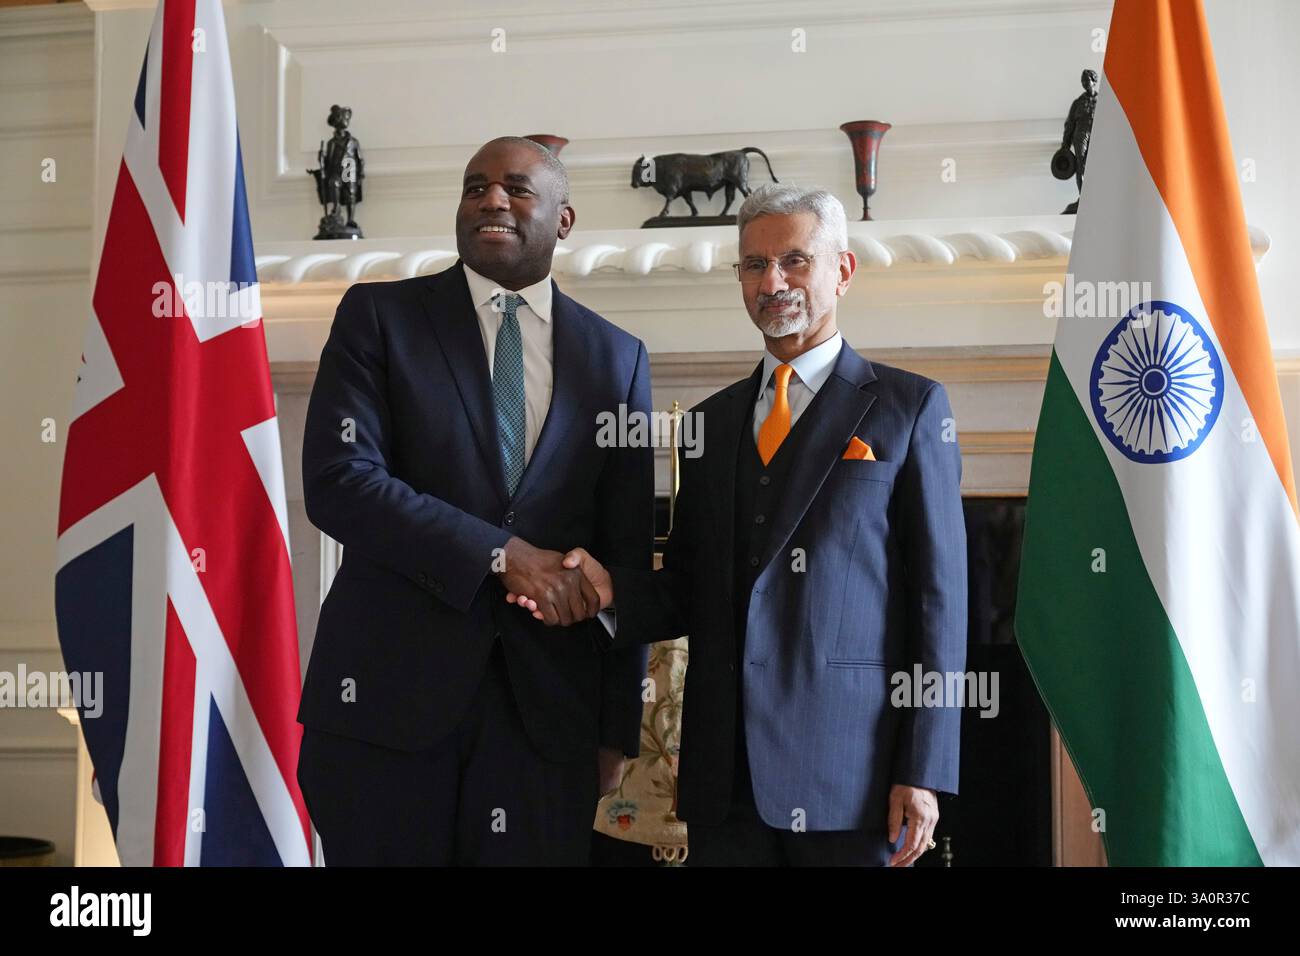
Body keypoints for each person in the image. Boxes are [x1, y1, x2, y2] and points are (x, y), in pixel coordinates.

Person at [512, 184, 967, 866]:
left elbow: (941, 606)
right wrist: (612, 592)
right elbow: (696, 586)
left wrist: (923, 769)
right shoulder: (708, 423)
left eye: (794, 261)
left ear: (842, 270)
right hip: (724, 784)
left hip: (854, 778)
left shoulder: (910, 408)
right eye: (753, 265)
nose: (772, 281)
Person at [297, 136, 653, 865]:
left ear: (564, 219)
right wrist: (502, 555)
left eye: (518, 188)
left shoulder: (618, 358)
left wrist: (616, 725)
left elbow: (624, 550)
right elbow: (339, 482)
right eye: (475, 186)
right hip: (384, 719)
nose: (492, 199)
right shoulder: (378, 318)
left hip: (544, 730)